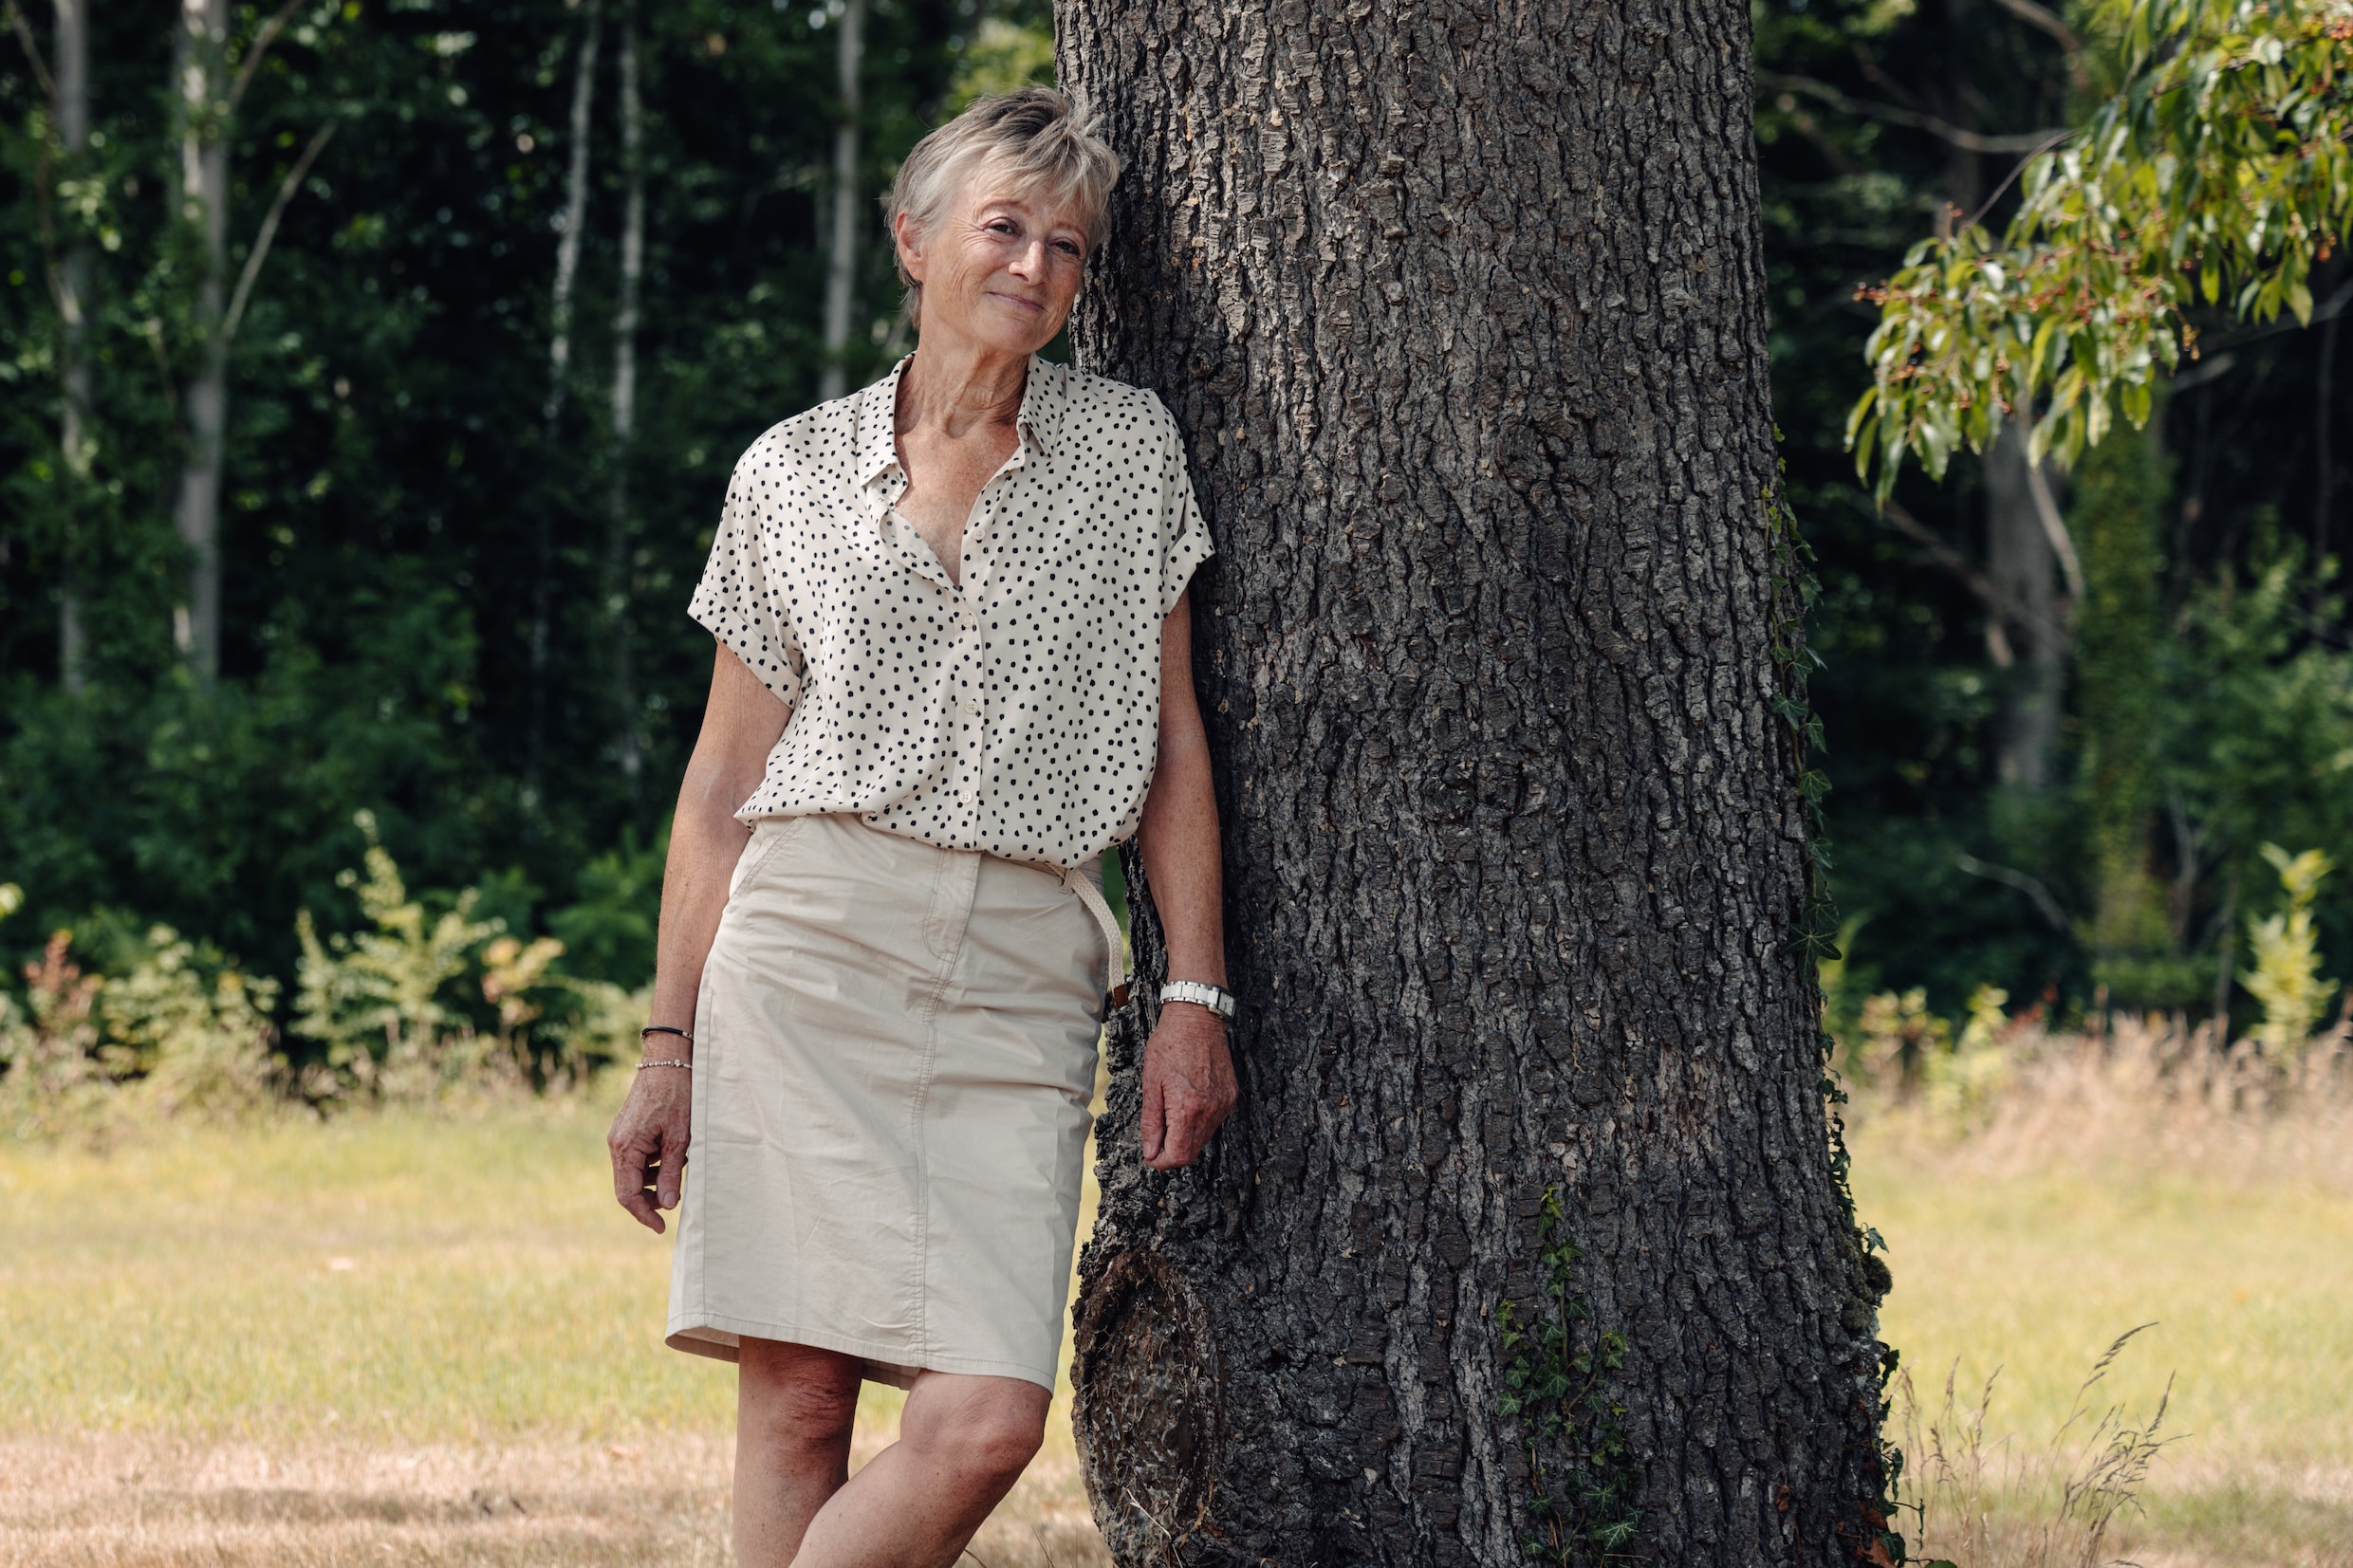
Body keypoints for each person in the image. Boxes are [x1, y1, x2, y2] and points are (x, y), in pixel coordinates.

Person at [604, 86, 1239, 1568]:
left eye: (1067, 246)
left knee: (986, 1417)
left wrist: (1193, 992)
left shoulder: (1128, 449)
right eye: (1003, 227)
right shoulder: (790, 472)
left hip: (1025, 970)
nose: (1035, 267)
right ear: (913, 238)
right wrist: (665, 1045)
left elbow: (1174, 745)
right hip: (808, 945)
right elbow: (717, 784)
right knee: (798, 1393)